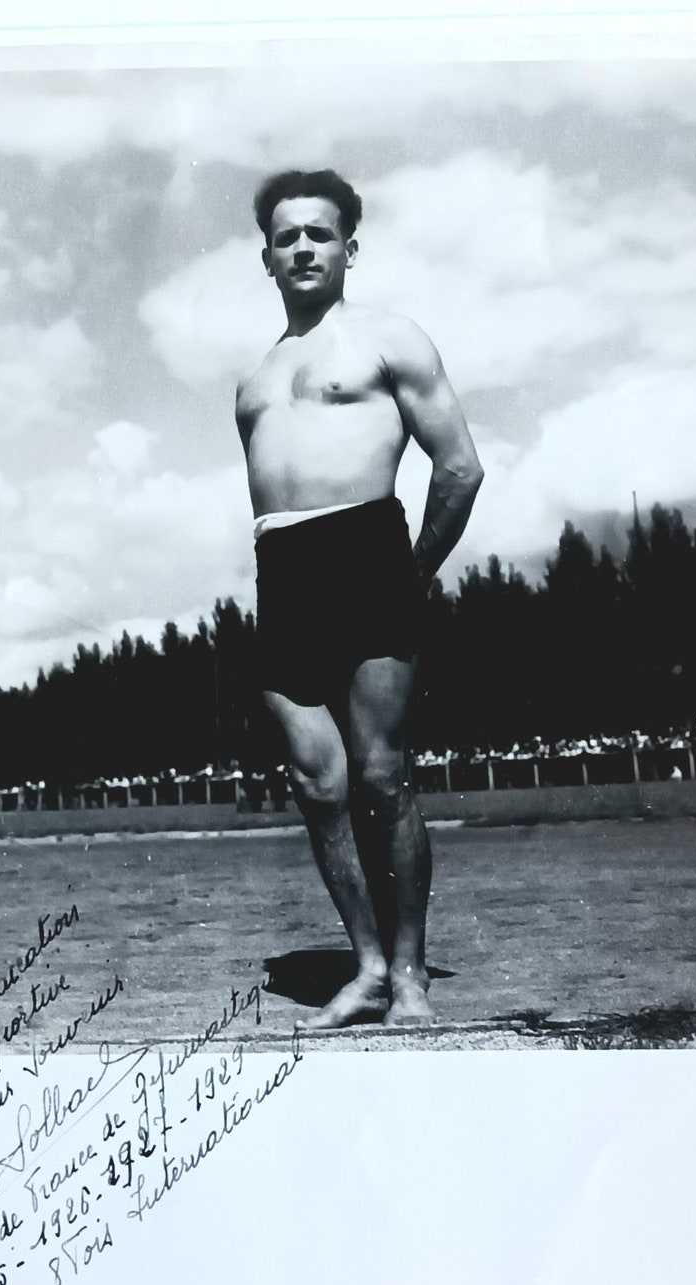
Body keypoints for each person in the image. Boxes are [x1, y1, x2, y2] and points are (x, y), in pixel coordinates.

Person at [235, 169, 485, 1028]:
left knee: (382, 774)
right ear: (267, 258)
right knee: (317, 782)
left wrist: (412, 571)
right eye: (286, 237)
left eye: (319, 233)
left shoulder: (389, 339)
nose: (303, 247)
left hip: (370, 551)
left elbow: (459, 467)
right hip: (283, 566)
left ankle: (410, 976)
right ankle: (368, 968)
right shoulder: (254, 381)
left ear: (349, 247)